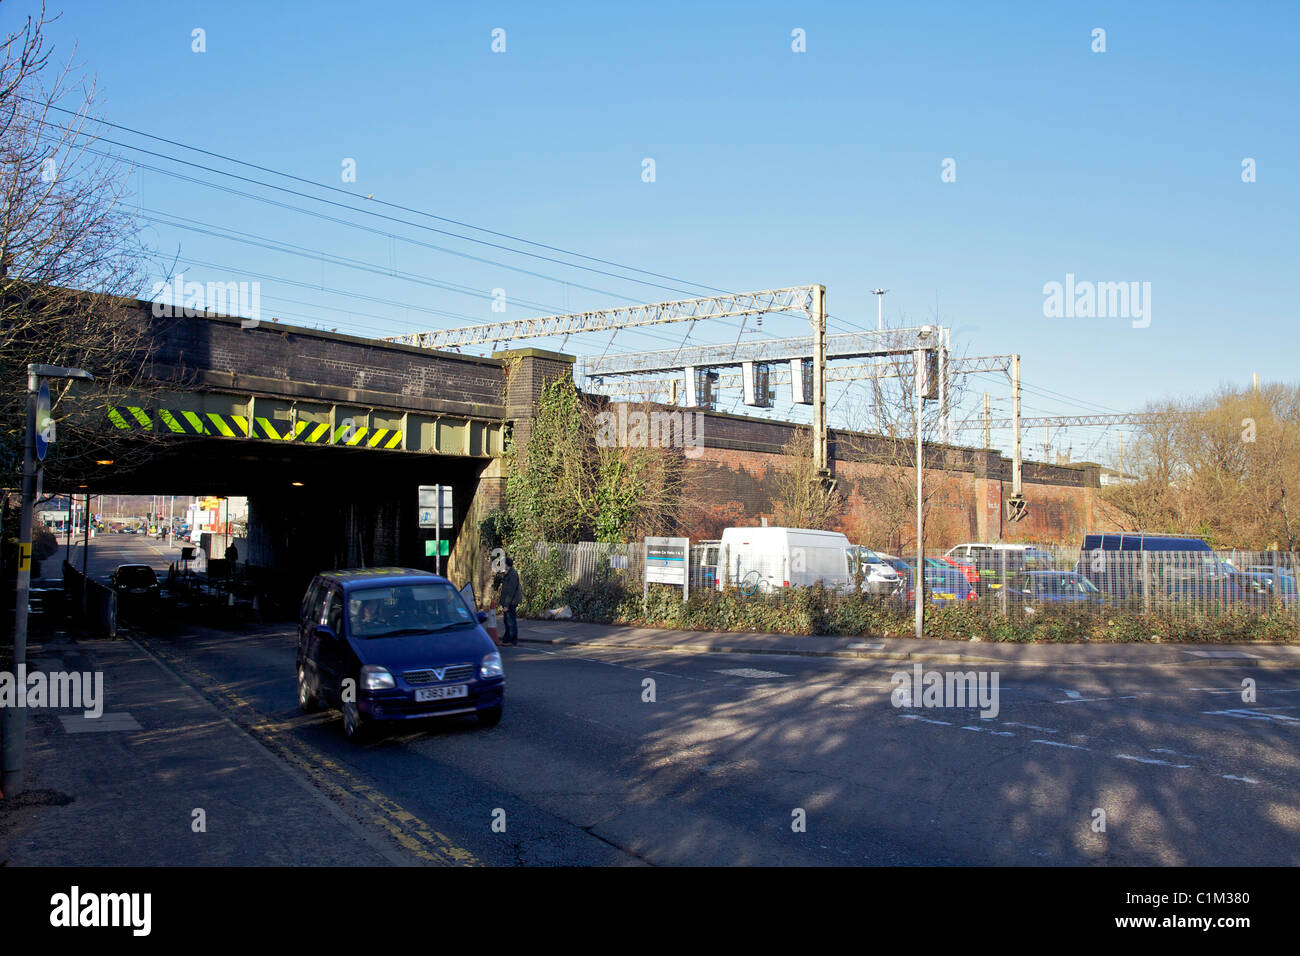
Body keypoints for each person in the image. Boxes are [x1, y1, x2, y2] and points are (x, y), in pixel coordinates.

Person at [498, 557, 522, 646]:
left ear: (506, 564)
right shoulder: (509, 573)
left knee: (511, 621)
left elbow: (511, 591)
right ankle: (506, 639)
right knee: (507, 621)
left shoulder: (512, 574)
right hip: (508, 602)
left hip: (511, 602)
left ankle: (512, 640)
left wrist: (506, 605)